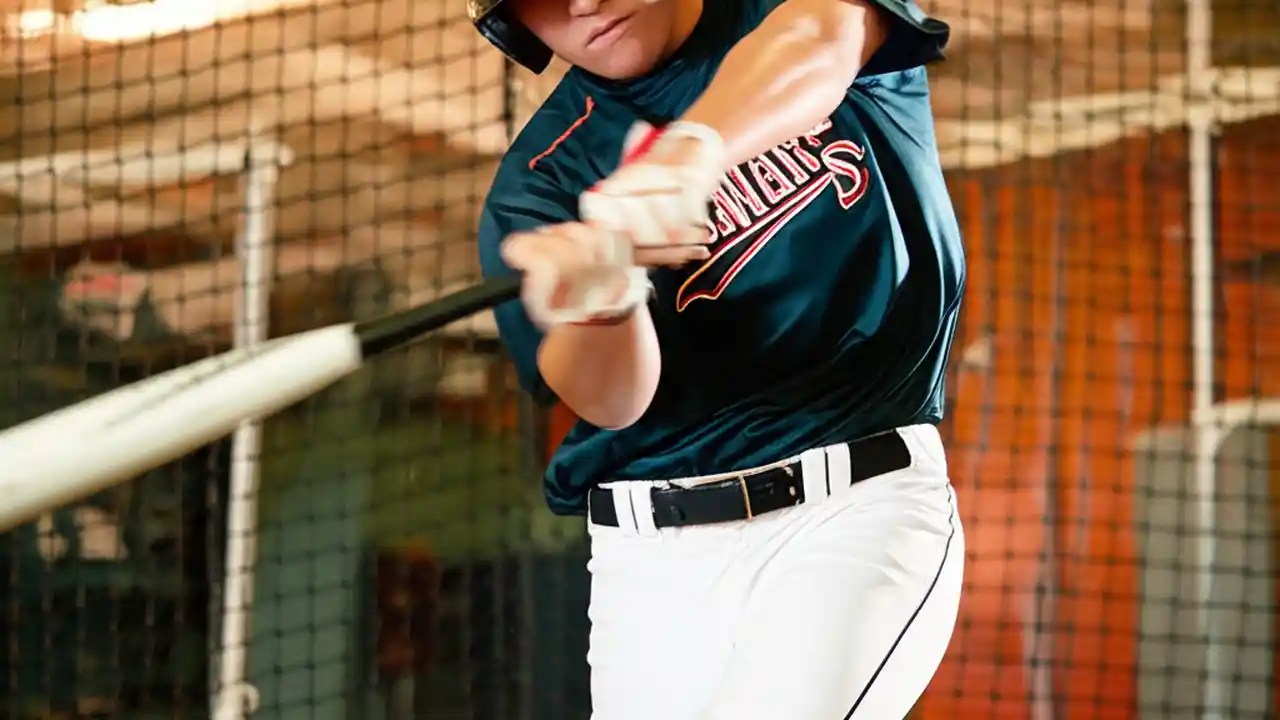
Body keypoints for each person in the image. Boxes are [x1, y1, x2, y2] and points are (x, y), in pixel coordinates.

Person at [471, 0, 966, 716]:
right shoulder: (539, 183)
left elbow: (822, 37)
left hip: (849, 508)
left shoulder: (783, 10)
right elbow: (609, 402)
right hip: (650, 566)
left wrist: (691, 150)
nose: (582, 2)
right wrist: (606, 300)